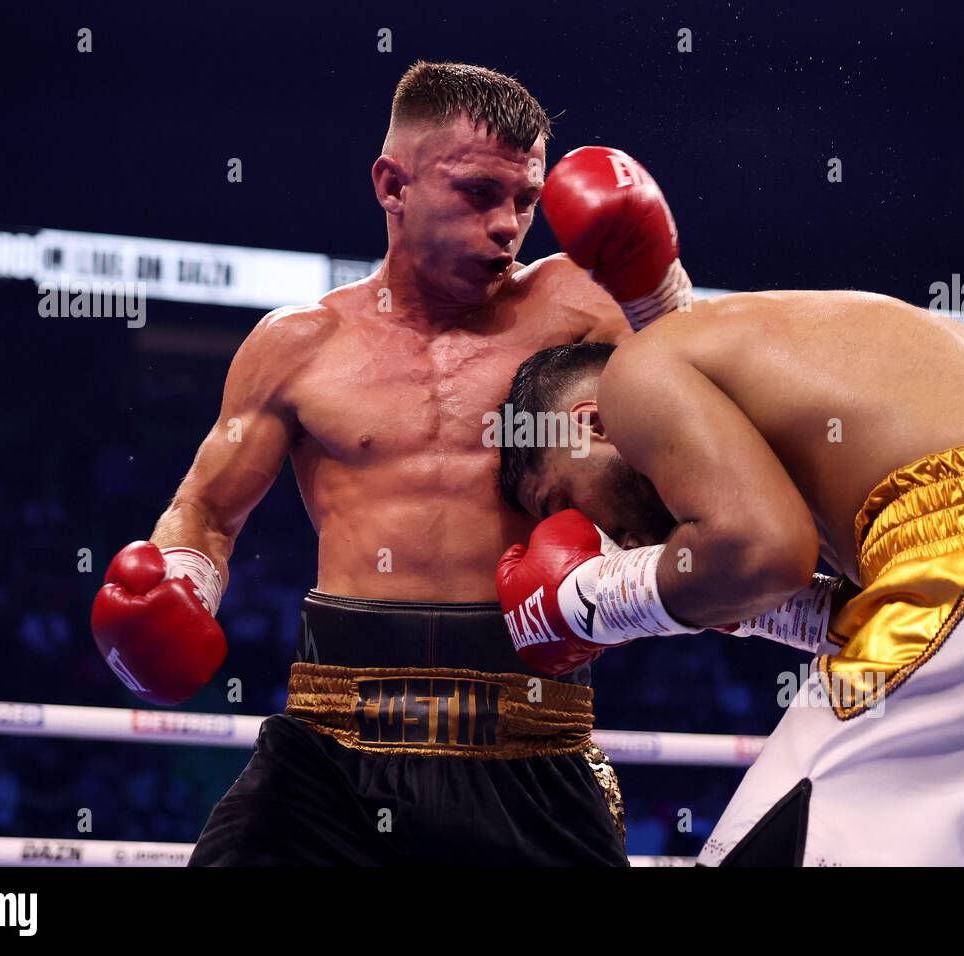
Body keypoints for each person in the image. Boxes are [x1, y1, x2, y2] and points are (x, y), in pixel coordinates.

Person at [89, 63, 692, 864]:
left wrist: (662, 296)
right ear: (391, 184)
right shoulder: (298, 345)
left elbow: (724, 408)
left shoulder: (577, 307)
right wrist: (179, 581)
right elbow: (205, 510)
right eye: (479, 193)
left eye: (525, 201)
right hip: (334, 743)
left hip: (531, 732)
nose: (508, 225)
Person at [493, 292, 964, 865]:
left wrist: (596, 599)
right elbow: (913, 583)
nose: (595, 539)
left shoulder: (635, 373)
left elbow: (768, 553)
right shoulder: (797, 387)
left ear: (590, 426)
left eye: (556, 504)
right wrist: (749, 606)